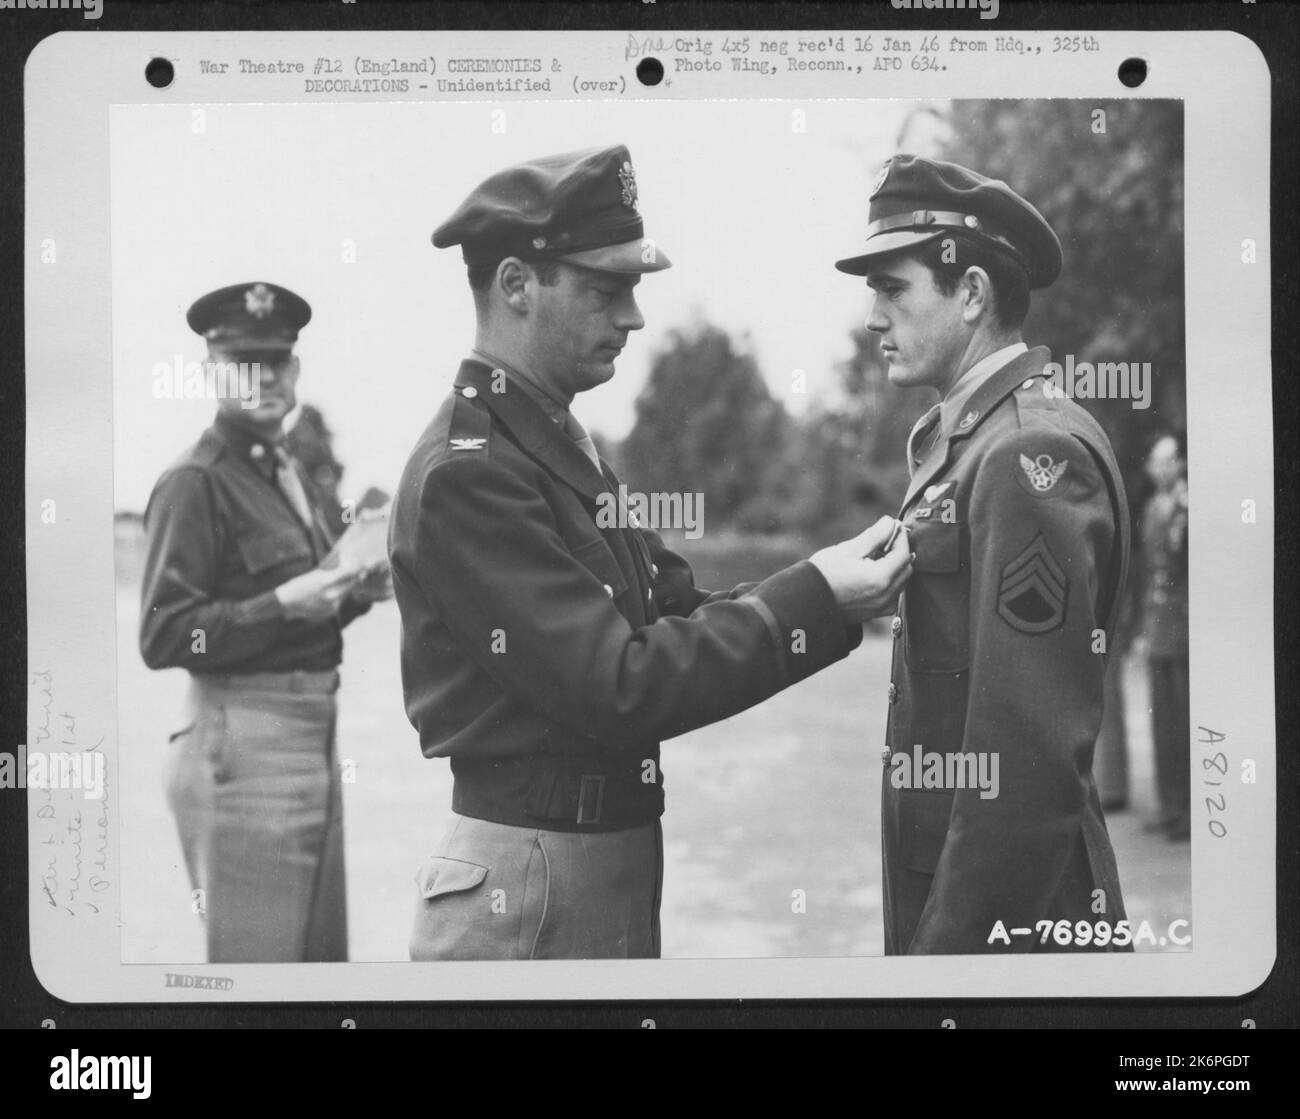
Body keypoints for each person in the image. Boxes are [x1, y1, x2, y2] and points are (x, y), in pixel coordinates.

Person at [390, 145, 913, 960]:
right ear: (517, 285)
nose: (633, 316)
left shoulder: (554, 441)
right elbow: (619, 683)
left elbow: (674, 609)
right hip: (529, 878)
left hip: (588, 862)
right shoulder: (471, 472)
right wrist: (817, 593)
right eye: (606, 290)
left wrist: (832, 586)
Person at [834, 155, 1132, 954]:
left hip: (1013, 924)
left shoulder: (1025, 451)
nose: (872, 316)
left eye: (892, 288)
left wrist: (945, 968)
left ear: (970, 294)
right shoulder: (969, 441)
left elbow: (1026, 767)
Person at [139, 282, 389, 962]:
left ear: (296, 370)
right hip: (240, 752)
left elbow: (308, 607)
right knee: (256, 984)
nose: (264, 378)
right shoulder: (194, 482)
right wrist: (280, 604)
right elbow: (164, 635)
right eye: (244, 363)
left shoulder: (289, 474)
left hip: (312, 740)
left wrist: (360, 586)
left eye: (276, 362)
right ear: (209, 371)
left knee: (316, 977)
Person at [1137, 431, 1190, 841]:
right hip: (1158, 627)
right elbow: (1147, 572)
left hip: (1185, 628)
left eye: (1170, 461)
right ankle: (1171, 807)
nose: (1163, 469)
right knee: (1163, 724)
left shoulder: (1188, 507)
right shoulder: (1153, 507)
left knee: (1183, 721)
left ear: (1181, 464)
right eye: (1158, 461)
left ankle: (1187, 810)